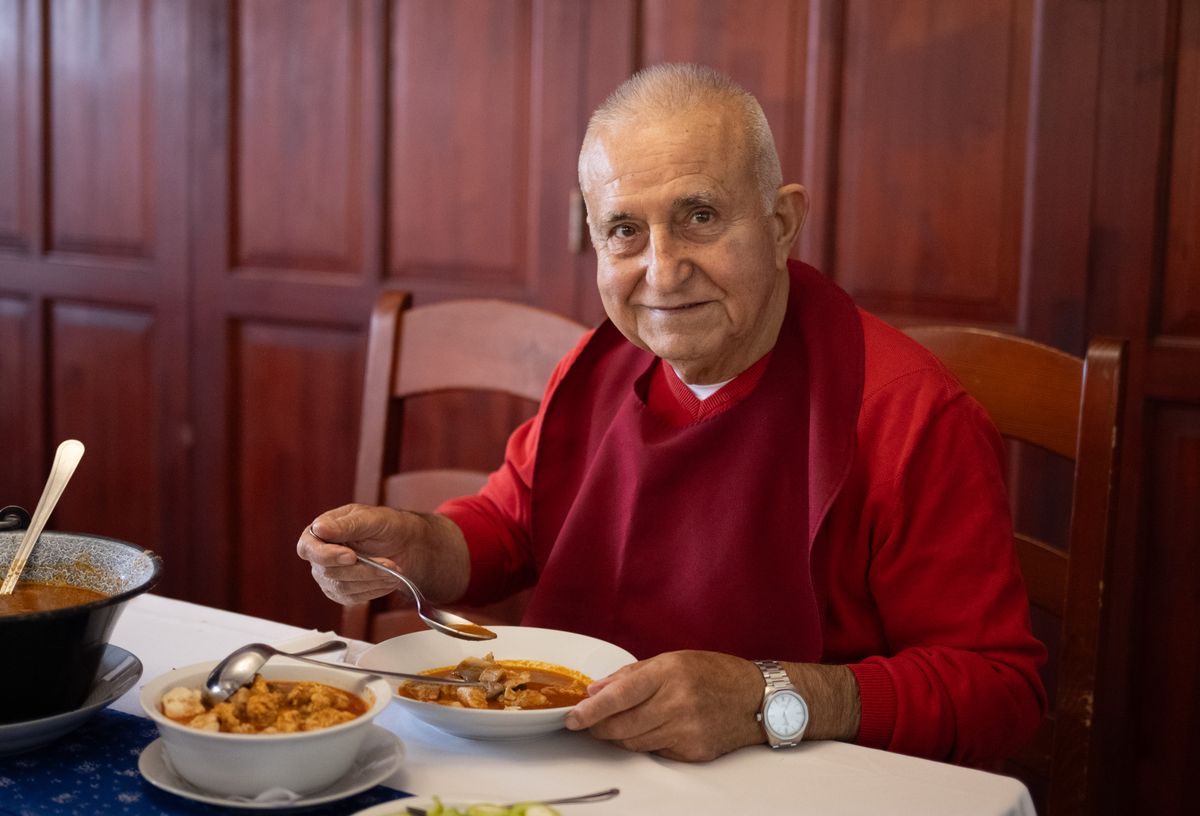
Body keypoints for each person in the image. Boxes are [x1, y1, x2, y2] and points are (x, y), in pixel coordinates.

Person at [298, 63, 1046, 765]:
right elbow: (511, 524)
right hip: (575, 762)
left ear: (783, 223)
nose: (662, 270)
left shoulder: (910, 415)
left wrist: (768, 698)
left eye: (698, 216)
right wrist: (420, 544)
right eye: (624, 229)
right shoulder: (597, 368)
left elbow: (1000, 693)